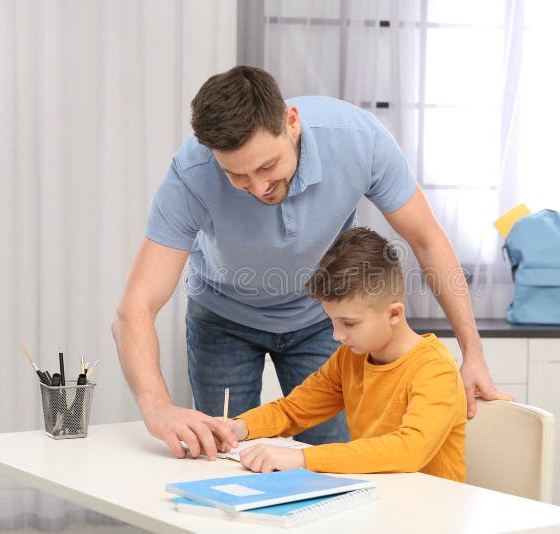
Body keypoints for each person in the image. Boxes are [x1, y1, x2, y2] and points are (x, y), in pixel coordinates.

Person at [111, 65, 511, 460]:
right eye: (237, 176)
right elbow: (135, 308)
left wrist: (472, 354)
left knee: (335, 461)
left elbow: (427, 241)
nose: (259, 187)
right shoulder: (193, 174)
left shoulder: (359, 140)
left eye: (267, 166)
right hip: (223, 318)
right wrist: (157, 407)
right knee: (221, 459)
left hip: (322, 320)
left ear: (292, 122)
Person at [226, 227, 467, 482]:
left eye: (349, 324)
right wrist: (236, 428)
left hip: (432, 511)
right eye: (332, 321)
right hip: (379, 499)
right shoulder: (350, 357)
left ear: (394, 314)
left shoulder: (435, 370)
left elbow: (409, 450)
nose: (337, 336)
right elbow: (293, 410)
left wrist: (303, 459)